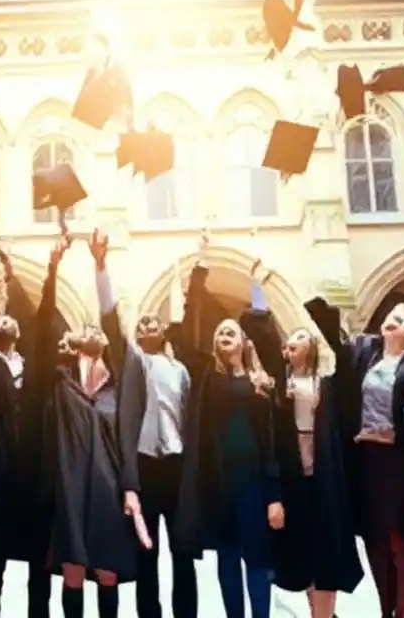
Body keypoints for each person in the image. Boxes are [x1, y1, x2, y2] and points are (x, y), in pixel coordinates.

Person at [33, 229, 147, 618]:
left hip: (109, 486)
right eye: (89, 330)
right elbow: (43, 328)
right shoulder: (61, 380)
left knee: (108, 569)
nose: (96, 333)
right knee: (73, 570)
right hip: (68, 485)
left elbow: (111, 322)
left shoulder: (120, 382)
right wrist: (52, 271)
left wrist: (100, 266)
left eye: (100, 331)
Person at [175, 249, 283, 618]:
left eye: (230, 331)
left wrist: (257, 287)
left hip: (254, 481)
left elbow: (270, 441)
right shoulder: (207, 377)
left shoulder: (260, 383)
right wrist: (197, 280)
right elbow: (189, 336)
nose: (224, 334)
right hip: (220, 482)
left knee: (258, 556)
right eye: (220, 332)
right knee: (228, 555)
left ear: (242, 342)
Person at [101, 230, 198, 618]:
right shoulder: (133, 363)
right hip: (143, 467)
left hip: (176, 465)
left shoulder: (181, 371)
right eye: (140, 326)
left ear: (164, 331)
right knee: (147, 550)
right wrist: (100, 267)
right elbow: (112, 326)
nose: (145, 327)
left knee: (183, 551)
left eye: (152, 323)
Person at [325, 288, 404, 618]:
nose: (392, 321)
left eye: (401, 319)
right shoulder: (366, 353)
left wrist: (395, 432)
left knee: (399, 538)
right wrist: (318, 306)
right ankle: (386, 611)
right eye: (391, 316)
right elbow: (337, 345)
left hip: (398, 460)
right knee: (375, 539)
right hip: (366, 458)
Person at [267, 299, 364, 618]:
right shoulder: (278, 384)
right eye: (289, 340)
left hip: (324, 476)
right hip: (294, 478)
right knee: (304, 551)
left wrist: (321, 318)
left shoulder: (327, 384)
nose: (292, 342)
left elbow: (345, 361)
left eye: (299, 337)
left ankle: (324, 615)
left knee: (327, 551)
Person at [0, 239, 55, 618]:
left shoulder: (34, 369)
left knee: (40, 566)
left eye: (11, 318)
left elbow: (43, 318)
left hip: (35, 475)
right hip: (2, 476)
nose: (6, 319)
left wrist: (33, 271)